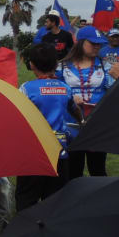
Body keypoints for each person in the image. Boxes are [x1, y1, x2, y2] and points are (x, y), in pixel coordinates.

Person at [16, 43, 80, 210]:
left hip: (33, 153)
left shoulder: (26, 88)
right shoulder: (65, 88)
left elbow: (17, 115)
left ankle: (26, 226)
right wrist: (82, 121)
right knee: (54, 201)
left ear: (32, 65)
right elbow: (75, 110)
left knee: (26, 198)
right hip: (60, 152)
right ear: (55, 64)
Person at [56, 26, 114, 179]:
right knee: (73, 171)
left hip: (96, 124)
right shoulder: (62, 66)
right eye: (93, 43)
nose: (97, 47)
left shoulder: (106, 65)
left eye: (99, 43)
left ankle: (100, 195)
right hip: (71, 125)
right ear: (80, 42)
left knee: (98, 169)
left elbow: (115, 91)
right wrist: (69, 95)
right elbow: (55, 91)